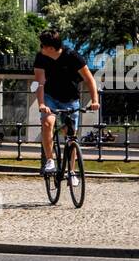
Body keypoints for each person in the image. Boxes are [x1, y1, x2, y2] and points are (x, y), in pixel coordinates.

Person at [33, 29, 99, 173]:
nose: (40, 48)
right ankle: (50, 160)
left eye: (42, 45)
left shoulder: (72, 56)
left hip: (70, 99)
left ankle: (71, 171)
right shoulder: (41, 57)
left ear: (50, 48)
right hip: (50, 97)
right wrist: (42, 104)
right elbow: (40, 83)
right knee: (47, 123)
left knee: (70, 136)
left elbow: (89, 79)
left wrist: (95, 100)